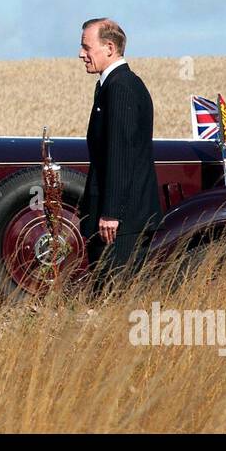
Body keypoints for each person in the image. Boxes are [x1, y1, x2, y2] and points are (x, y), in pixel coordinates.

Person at [77, 18, 161, 285]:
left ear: (110, 48)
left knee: (115, 298)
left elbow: (121, 153)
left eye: (86, 47)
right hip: (118, 221)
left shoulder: (121, 87)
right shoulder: (110, 86)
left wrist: (112, 212)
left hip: (121, 225)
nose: (81, 54)